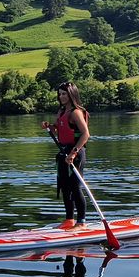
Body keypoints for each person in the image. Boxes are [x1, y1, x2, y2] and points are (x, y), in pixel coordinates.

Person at [42, 81, 90, 230]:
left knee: (75, 187)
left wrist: (73, 153)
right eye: (60, 94)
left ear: (71, 94)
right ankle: (69, 220)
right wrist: (50, 127)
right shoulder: (61, 111)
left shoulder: (75, 112)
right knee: (64, 187)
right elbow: (58, 130)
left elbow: (85, 134)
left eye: (64, 94)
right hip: (63, 152)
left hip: (76, 153)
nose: (61, 96)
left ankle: (81, 222)